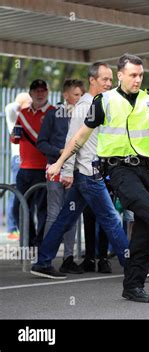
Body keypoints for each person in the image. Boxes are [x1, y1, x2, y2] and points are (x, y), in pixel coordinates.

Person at [44, 55, 149, 303]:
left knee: (145, 228)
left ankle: (133, 285)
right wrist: (60, 163)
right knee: (147, 209)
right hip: (119, 170)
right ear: (120, 75)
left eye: (140, 75)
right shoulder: (103, 101)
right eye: (133, 75)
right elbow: (80, 137)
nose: (137, 79)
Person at [30, 62, 129, 280]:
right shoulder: (85, 107)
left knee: (66, 219)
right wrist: (66, 171)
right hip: (88, 175)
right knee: (111, 218)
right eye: (104, 79)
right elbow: (72, 141)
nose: (109, 83)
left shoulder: (99, 104)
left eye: (111, 79)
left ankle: (43, 262)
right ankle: (132, 264)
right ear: (92, 80)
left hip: (91, 174)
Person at [37, 79, 85, 274]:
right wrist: (60, 153)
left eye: (82, 95)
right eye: (76, 95)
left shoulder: (85, 116)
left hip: (76, 172)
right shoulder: (53, 114)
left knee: (72, 216)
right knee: (54, 214)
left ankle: (68, 258)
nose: (80, 98)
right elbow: (41, 143)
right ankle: (45, 260)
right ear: (65, 96)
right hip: (55, 171)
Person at [11, 79, 55, 246]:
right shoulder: (22, 113)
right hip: (24, 169)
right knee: (19, 209)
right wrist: (15, 136)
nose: (40, 93)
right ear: (30, 93)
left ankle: (40, 244)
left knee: (43, 209)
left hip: (45, 168)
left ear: (47, 93)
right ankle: (29, 241)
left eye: (43, 90)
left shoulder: (54, 112)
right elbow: (15, 138)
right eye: (36, 90)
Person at [4, 92, 32, 240]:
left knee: (30, 195)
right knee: (16, 194)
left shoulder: (31, 117)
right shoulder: (14, 116)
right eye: (28, 102)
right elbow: (9, 107)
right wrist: (23, 103)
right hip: (18, 160)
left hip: (30, 160)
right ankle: (12, 228)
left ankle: (25, 230)